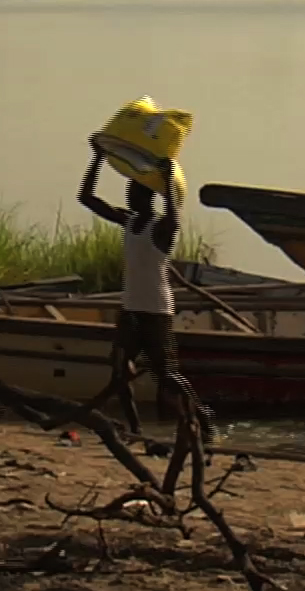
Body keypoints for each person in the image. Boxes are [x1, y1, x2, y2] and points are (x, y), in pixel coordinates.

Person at [77, 149, 214, 440]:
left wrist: (166, 184)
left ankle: (202, 416)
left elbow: (174, 217)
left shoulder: (161, 228)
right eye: (128, 192)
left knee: (166, 375)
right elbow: (86, 198)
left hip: (156, 310)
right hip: (131, 307)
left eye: (136, 192)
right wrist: (98, 158)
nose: (129, 197)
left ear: (148, 198)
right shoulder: (128, 221)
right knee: (119, 370)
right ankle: (136, 429)